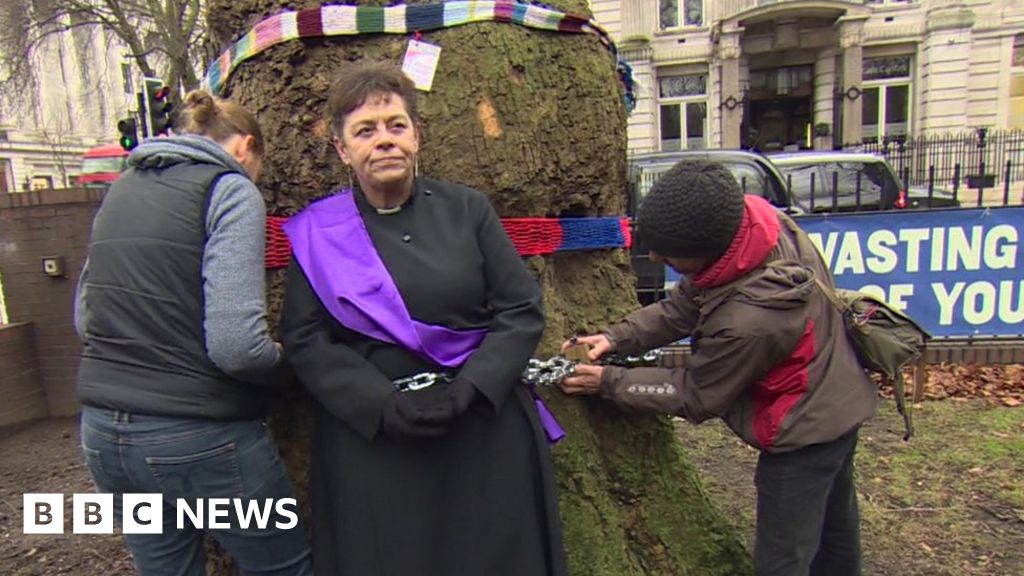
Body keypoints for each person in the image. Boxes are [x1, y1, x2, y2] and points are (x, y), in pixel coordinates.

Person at [278, 61, 567, 576]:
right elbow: (305, 339)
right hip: (376, 439)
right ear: (344, 150)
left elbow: (521, 310)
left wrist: (473, 388)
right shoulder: (319, 232)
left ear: (417, 135)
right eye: (365, 130)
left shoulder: (468, 210)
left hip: (481, 425)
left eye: (396, 125)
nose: (384, 140)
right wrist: (380, 405)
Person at [560, 159, 877, 576]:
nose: (654, 256)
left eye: (668, 252)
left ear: (706, 248)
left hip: (804, 429)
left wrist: (610, 381)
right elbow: (683, 305)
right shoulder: (754, 227)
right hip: (841, 397)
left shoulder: (749, 321)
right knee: (836, 531)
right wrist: (617, 337)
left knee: (784, 555)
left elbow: (698, 393)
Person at [75, 91, 313, 575]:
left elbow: (85, 318)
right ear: (246, 148)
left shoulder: (121, 189)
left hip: (103, 436)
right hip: (200, 438)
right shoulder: (228, 190)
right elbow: (236, 347)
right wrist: (290, 365)